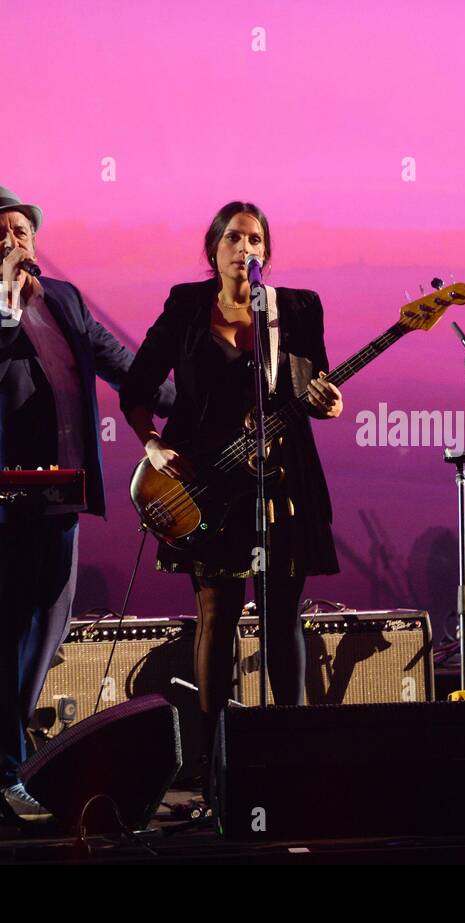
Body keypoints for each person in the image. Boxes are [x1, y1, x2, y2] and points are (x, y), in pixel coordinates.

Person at [0, 182, 173, 821]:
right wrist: (6, 310)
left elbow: (121, 363)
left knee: (51, 623)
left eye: (20, 231)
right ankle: (0, 778)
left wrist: (195, 405)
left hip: (61, 490)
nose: (12, 242)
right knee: (1, 630)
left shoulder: (64, 298)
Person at [120, 201, 342, 791]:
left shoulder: (295, 307)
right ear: (214, 248)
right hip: (203, 480)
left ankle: (290, 752)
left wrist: (328, 401)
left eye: (257, 240)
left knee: (280, 613)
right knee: (216, 613)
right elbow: (137, 386)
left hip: (280, 477)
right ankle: (215, 761)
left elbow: (313, 386)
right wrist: (150, 443)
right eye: (236, 239)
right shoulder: (186, 305)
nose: (247, 249)